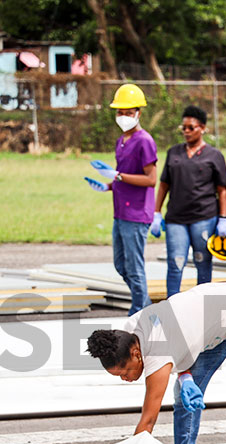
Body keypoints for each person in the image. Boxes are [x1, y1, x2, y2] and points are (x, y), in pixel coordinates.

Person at [85, 281, 226, 444]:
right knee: (185, 397)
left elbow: (148, 421)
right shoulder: (128, 331)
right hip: (213, 316)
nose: (125, 379)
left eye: (125, 372)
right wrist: (186, 378)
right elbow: (177, 346)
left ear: (136, 354)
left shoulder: (157, 355)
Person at [85, 83, 158, 315]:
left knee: (134, 267)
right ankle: (144, 305)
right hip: (120, 211)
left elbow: (150, 179)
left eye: (128, 112)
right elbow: (123, 176)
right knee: (121, 265)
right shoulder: (122, 141)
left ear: (139, 113)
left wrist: (118, 175)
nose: (123, 116)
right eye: (120, 112)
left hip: (136, 214)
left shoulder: (144, 141)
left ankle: (139, 311)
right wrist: (108, 185)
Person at [155, 105, 226, 297]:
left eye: (191, 127)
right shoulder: (174, 152)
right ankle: (171, 306)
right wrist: (156, 213)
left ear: (203, 128)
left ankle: (201, 305)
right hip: (176, 219)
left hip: (203, 217)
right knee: (176, 262)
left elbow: (222, 190)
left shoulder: (214, 155)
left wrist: (223, 218)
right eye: (184, 128)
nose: (186, 132)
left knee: (202, 261)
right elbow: (164, 185)